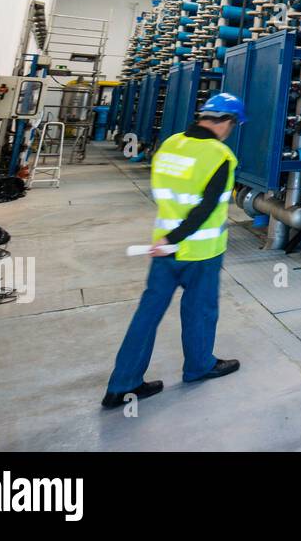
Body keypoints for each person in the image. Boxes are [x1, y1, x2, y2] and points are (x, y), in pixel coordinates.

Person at [101, 93, 246, 409]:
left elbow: (162, 191)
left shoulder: (170, 144)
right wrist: (177, 237)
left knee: (147, 314)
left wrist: (167, 239)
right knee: (199, 310)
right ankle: (199, 366)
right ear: (226, 123)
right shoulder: (219, 155)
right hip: (200, 251)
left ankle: (122, 384)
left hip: (163, 249)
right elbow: (206, 207)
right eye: (233, 125)